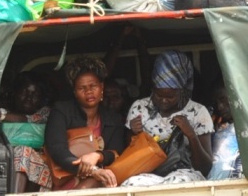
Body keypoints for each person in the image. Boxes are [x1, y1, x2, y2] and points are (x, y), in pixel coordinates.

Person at [123, 51, 214, 186]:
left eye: (171, 96)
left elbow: (205, 168)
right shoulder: (140, 108)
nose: (164, 101)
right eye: (158, 95)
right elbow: (129, 157)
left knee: (178, 183)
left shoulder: (198, 112)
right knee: (131, 183)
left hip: (185, 175)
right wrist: (132, 133)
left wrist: (191, 134)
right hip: (148, 174)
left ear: (183, 90)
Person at [45, 57, 129, 189]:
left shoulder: (113, 119)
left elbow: (117, 152)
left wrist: (97, 156)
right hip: (66, 177)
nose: (88, 92)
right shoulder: (61, 111)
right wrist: (93, 171)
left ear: (102, 87)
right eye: (81, 88)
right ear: (75, 92)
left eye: (93, 86)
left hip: (103, 178)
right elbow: (57, 150)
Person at [0, 75, 52, 192]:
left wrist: (1, 115)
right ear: (16, 93)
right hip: (8, 163)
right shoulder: (7, 111)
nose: (29, 98)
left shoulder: (45, 113)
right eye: (25, 92)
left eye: (35, 95)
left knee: (23, 151)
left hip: (41, 165)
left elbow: (27, 119)